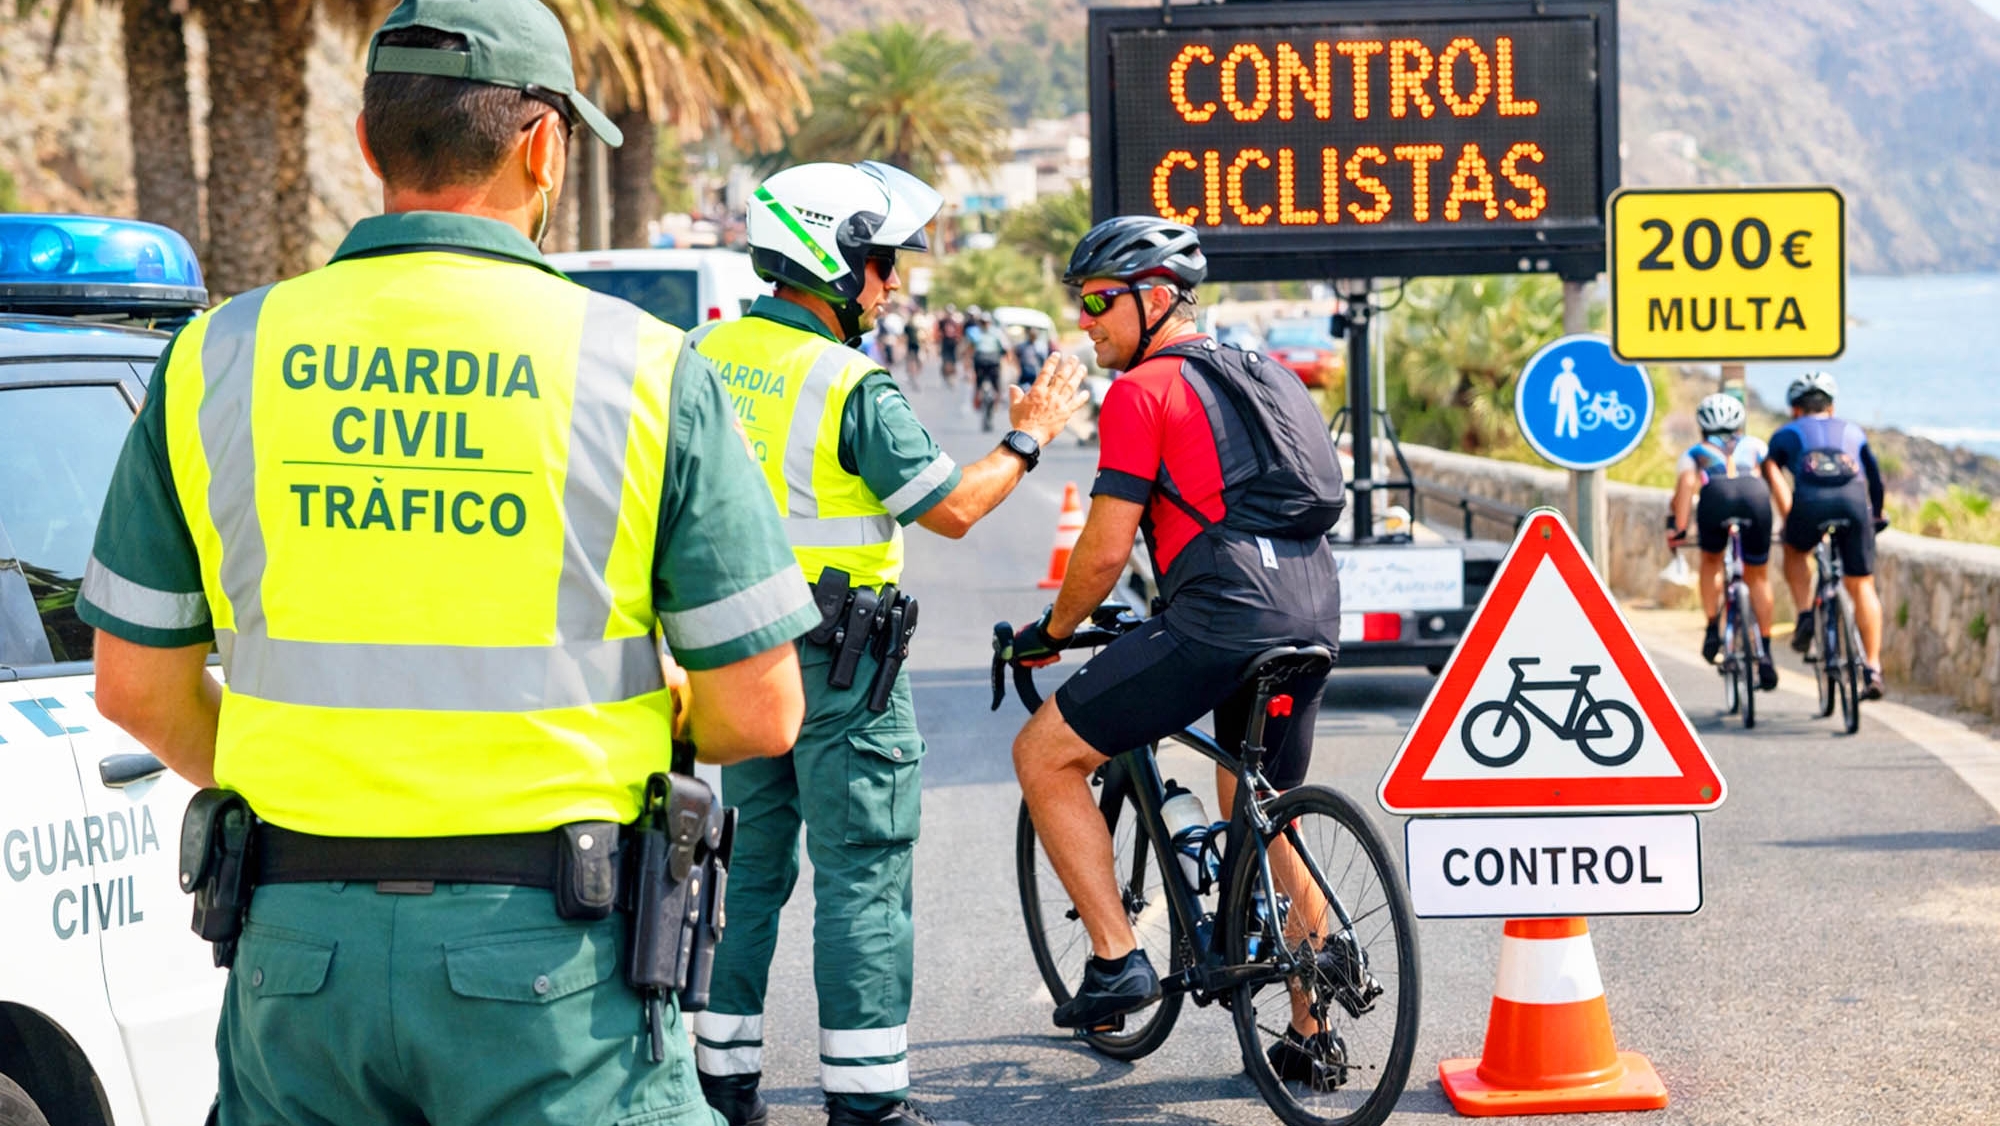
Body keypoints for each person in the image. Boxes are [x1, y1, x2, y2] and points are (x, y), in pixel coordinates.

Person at [77, 1, 819, 1122]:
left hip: (296, 957)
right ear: (543, 145)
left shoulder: (215, 357)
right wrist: (655, 712)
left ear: (370, 144)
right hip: (552, 964)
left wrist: (322, 762)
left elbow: (135, 687)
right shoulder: (646, 368)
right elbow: (759, 712)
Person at [689, 160, 1089, 1126]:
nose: (893, 282)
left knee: (746, 872)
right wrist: (1028, 436)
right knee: (864, 876)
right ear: (831, 261)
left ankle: (721, 1086)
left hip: (737, 663)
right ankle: (866, 1103)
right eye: (880, 262)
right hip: (845, 670)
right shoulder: (848, 383)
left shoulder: (704, 357)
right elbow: (952, 507)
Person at [1005, 216, 1344, 1072]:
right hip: (1313, 604)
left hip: (1224, 614)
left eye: (1097, 302)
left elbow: (1107, 547)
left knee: (1045, 753)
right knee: (1262, 803)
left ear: (1155, 299)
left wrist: (1051, 632)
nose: (1085, 322)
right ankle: (1315, 1030)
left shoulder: (1144, 391)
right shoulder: (1270, 373)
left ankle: (1118, 962)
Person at [1762, 370, 1889, 698]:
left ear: (1796, 409)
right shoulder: (1854, 431)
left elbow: (1770, 469)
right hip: (1853, 506)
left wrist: (1787, 513)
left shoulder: (1786, 433)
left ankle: (1805, 615)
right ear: (1830, 408)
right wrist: (1876, 513)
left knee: (1794, 552)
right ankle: (1873, 668)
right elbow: (1875, 480)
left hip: (1809, 505)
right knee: (1862, 584)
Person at [1667, 393, 1781, 689]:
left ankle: (1711, 628)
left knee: (1711, 561)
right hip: (1755, 497)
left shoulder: (1695, 452)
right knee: (1758, 576)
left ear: (1702, 425)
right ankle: (1765, 653)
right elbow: (1778, 485)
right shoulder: (1756, 446)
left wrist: (1678, 529)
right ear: (1740, 423)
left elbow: (1687, 488)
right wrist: (1790, 520)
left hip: (1715, 499)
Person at [968, 312, 1006, 429]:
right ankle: (984, 400)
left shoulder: (983, 332)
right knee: (989, 386)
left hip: (987, 362)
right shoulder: (993, 333)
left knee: (993, 386)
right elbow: (1004, 348)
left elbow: (971, 348)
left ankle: (991, 401)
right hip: (986, 362)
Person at [936, 304, 963, 386]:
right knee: (946, 360)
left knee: (952, 360)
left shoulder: (955, 322)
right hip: (945, 342)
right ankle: (946, 374)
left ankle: (951, 375)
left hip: (952, 343)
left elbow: (959, 333)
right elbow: (939, 332)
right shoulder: (942, 321)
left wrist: (958, 341)